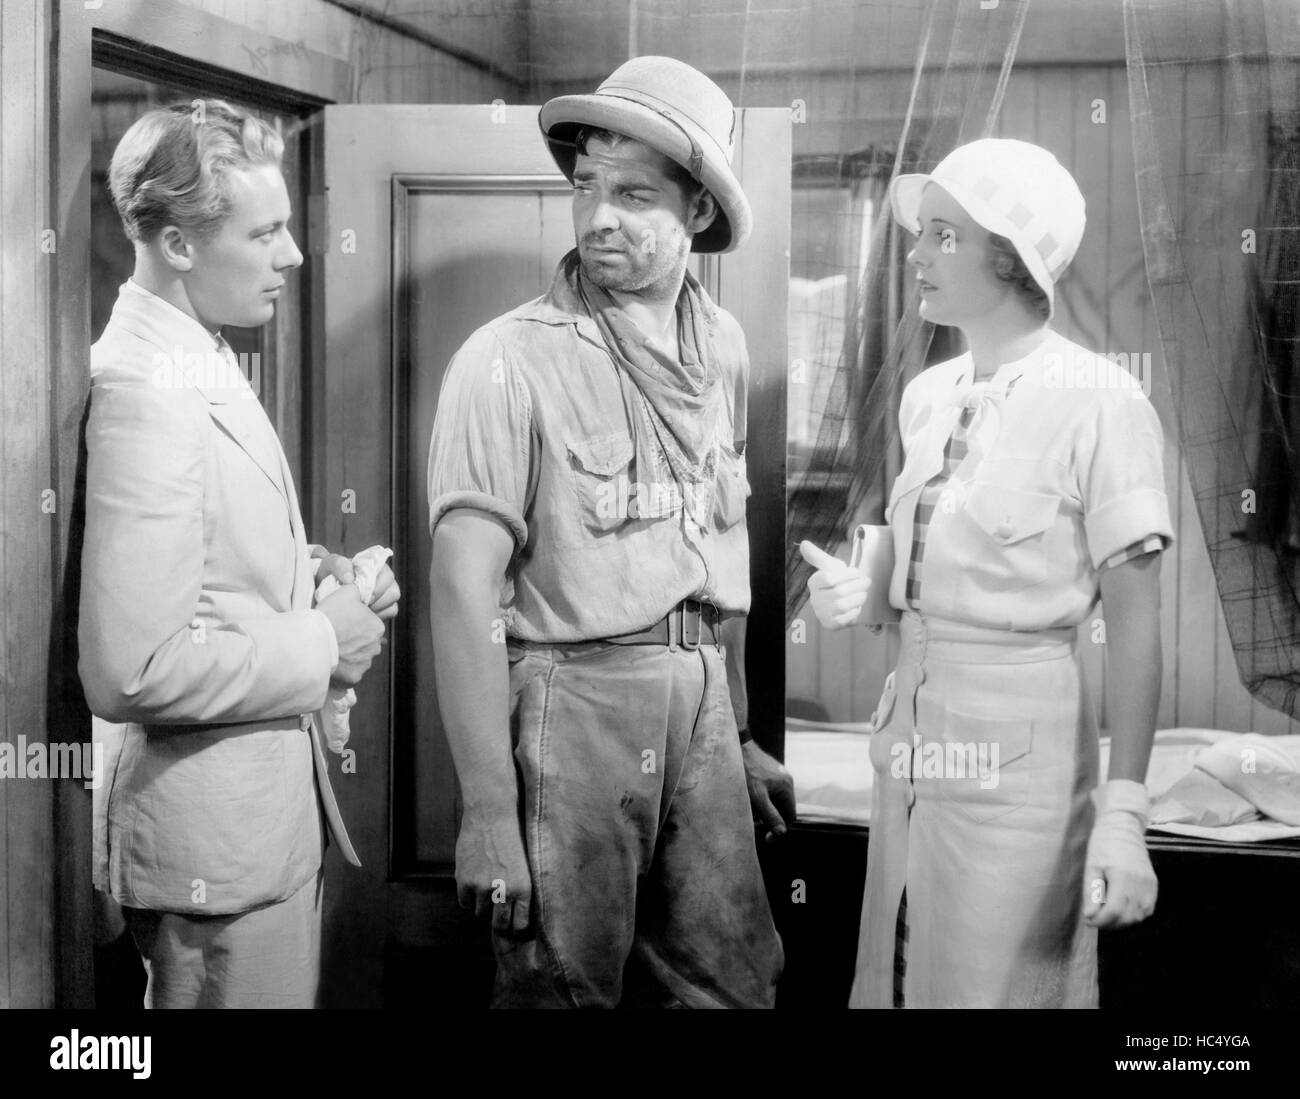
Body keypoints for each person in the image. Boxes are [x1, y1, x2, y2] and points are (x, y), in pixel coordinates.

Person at [425, 56, 791, 1008]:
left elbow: (726, 551)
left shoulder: (722, 350)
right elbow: (464, 590)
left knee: (731, 985)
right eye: (587, 186)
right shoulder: (508, 358)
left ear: (698, 212)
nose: (598, 217)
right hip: (574, 701)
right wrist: (488, 813)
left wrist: (739, 730)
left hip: (702, 692)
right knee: (561, 988)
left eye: (634, 194)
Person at [802, 138, 1173, 1008]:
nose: (916, 254)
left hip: (1023, 762)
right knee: (895, 976)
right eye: (921, 233)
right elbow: (936, 551)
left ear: (1011, 257)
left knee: (997, 989)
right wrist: (866, 585)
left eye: (943, 236)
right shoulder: (930, 395)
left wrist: (1125, 816)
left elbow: (1139, 625)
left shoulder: (1103, 402)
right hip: (913, 739)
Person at [79, 100, 398, 1008]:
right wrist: (321, 643)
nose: (294, 253)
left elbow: (201, 560)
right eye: (265, 232)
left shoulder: (195, 352)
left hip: (251, 840)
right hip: (210, 858)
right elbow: (131, 669)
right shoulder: (146, 388)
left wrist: (309, 574)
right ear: (178, 244)